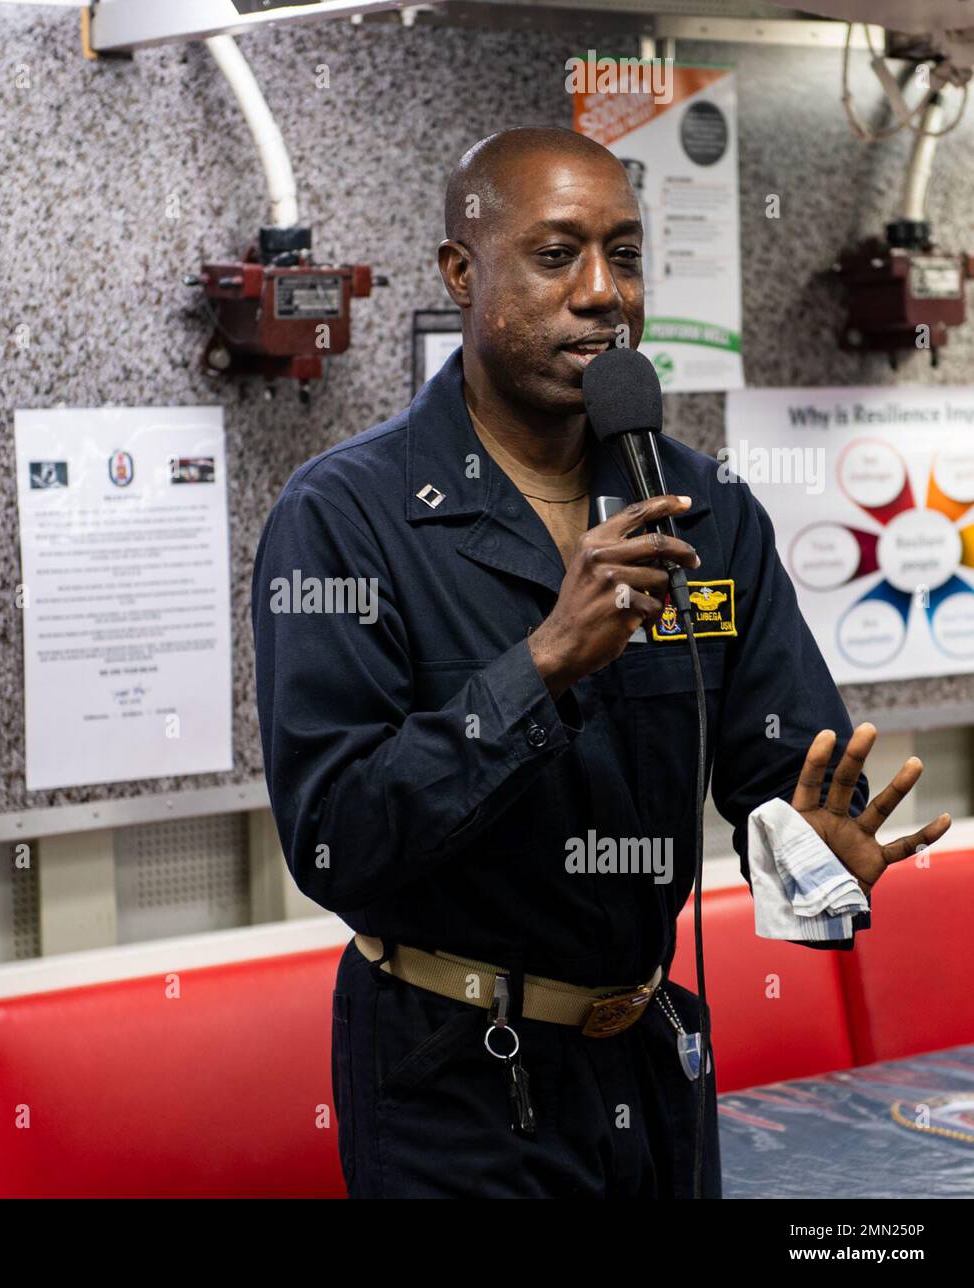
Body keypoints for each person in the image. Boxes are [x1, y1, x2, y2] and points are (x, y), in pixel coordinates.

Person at [250, 126, 951, 1199]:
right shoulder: (347, 516)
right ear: (460, 272)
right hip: (454, 1079)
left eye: (624, 256)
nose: (601, 292)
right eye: (554, 254)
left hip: (652, 1056)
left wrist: (815, 853)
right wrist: (540, 666)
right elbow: (335, 839)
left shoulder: (704, 507)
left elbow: (784, 781)